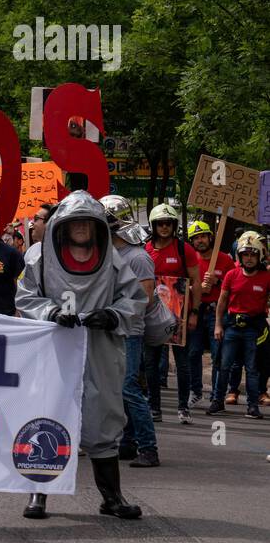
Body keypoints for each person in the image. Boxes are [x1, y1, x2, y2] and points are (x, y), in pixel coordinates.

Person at [16, 191, 147, 520]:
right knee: (47, 416)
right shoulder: (38, 258)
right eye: (75, 223)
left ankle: (111, 497)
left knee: (104, 417)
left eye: (88, 223)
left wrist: (113, 315)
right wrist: (50, 312)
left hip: (100, 346)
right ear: (62, 225)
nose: (81, 229)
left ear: (98, 227)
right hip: (54, 347)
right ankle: (39, 495)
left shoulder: (113, 261)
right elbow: (26, 296)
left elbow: (134, 298)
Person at [101, 195, 160, 464]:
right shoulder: (110, 254)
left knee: (129, 389)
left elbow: (145, 299)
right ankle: (128, 441)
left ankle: (149, 448)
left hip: (131, 331)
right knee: (116, 389)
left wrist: (117, 312)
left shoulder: (138, 257)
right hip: (113, 329)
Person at [143, 203, 201, 421]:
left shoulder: (183, 249)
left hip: (178, 314)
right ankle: (154, 408)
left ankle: (183, 408)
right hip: (150, 314)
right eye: (160, 223)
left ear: (174, 225)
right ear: (154, 225)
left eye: (168, 223)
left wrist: (194, 312)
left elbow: (195, 281)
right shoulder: (145, 248)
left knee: (182, 362)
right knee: (151, 362)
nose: (164, 227)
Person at [208, 232, 270, 418]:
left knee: (252, 369)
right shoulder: (231, 275)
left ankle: (252, 406)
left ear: (259, 256)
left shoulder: (267, 277)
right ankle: (218, 401)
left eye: (253, 254)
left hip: (254, 330)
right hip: (232, 328)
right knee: (224, 366)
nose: (249, 258)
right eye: (245, 254)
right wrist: (218, 325)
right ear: (240, 256)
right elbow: (222, 301)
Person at [186, 220, 231, 409]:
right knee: (193, 352)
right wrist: (195, 289)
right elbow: (179, 286)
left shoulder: (225, 260)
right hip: (196, 311)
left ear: (210, 237)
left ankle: (216, 396)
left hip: (216, 313)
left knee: (217, 355)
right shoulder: (189, 260)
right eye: (196, 238)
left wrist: (218, 282)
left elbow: (236, 287)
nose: (200, 241)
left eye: (203, 236)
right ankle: (196, 391)